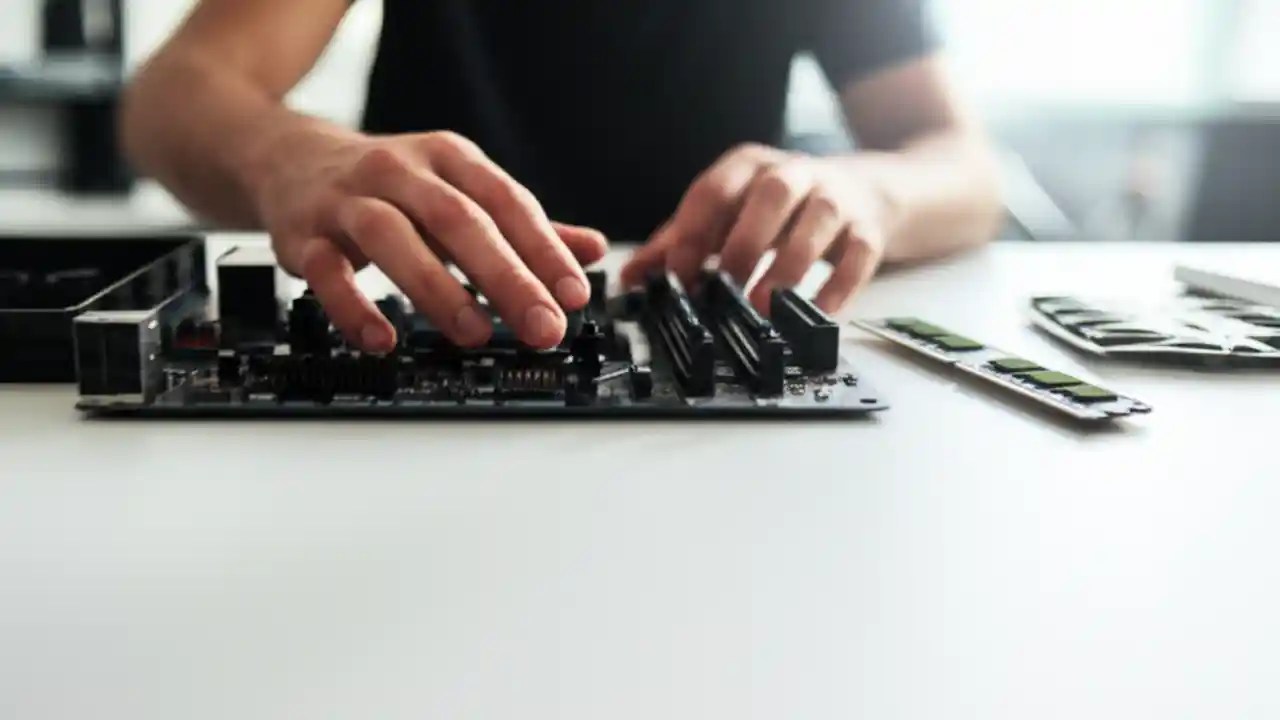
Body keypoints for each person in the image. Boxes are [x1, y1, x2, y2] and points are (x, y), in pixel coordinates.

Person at [121, 0, 1002, 353]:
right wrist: (287, 155)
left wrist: (868, 190)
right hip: (404, 337)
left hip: (708, 370)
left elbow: (960, 162)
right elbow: (168, 98)